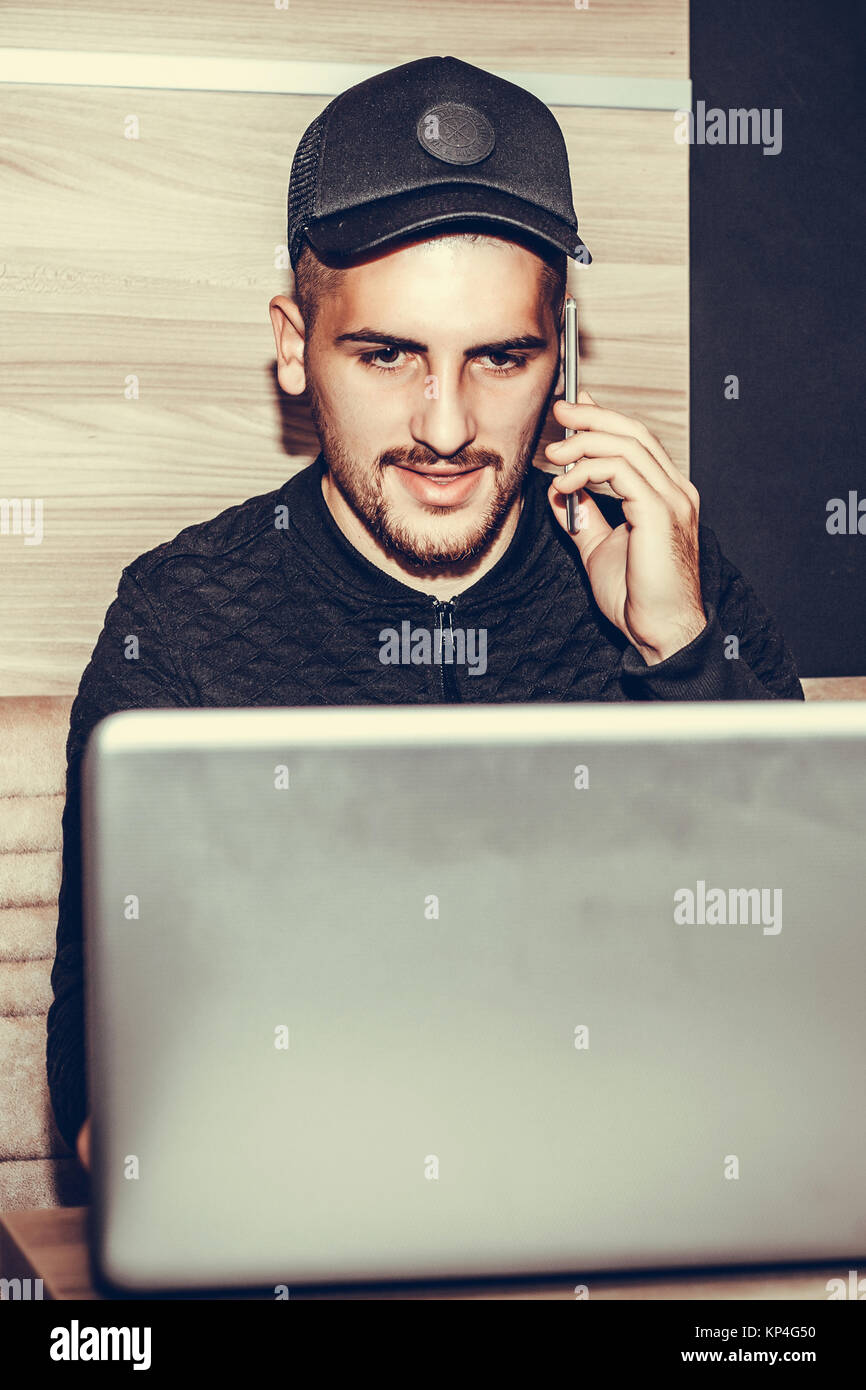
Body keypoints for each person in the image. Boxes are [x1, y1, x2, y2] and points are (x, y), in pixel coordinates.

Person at [48, 56, 803, 1172]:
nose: (445, 427)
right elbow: (107, 1122)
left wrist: (676, 655)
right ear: (292, 346)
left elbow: (803, 1009)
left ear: (562, 356)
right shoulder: (183, 619)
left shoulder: (673, 582)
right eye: (387, 352)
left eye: (501, 356)